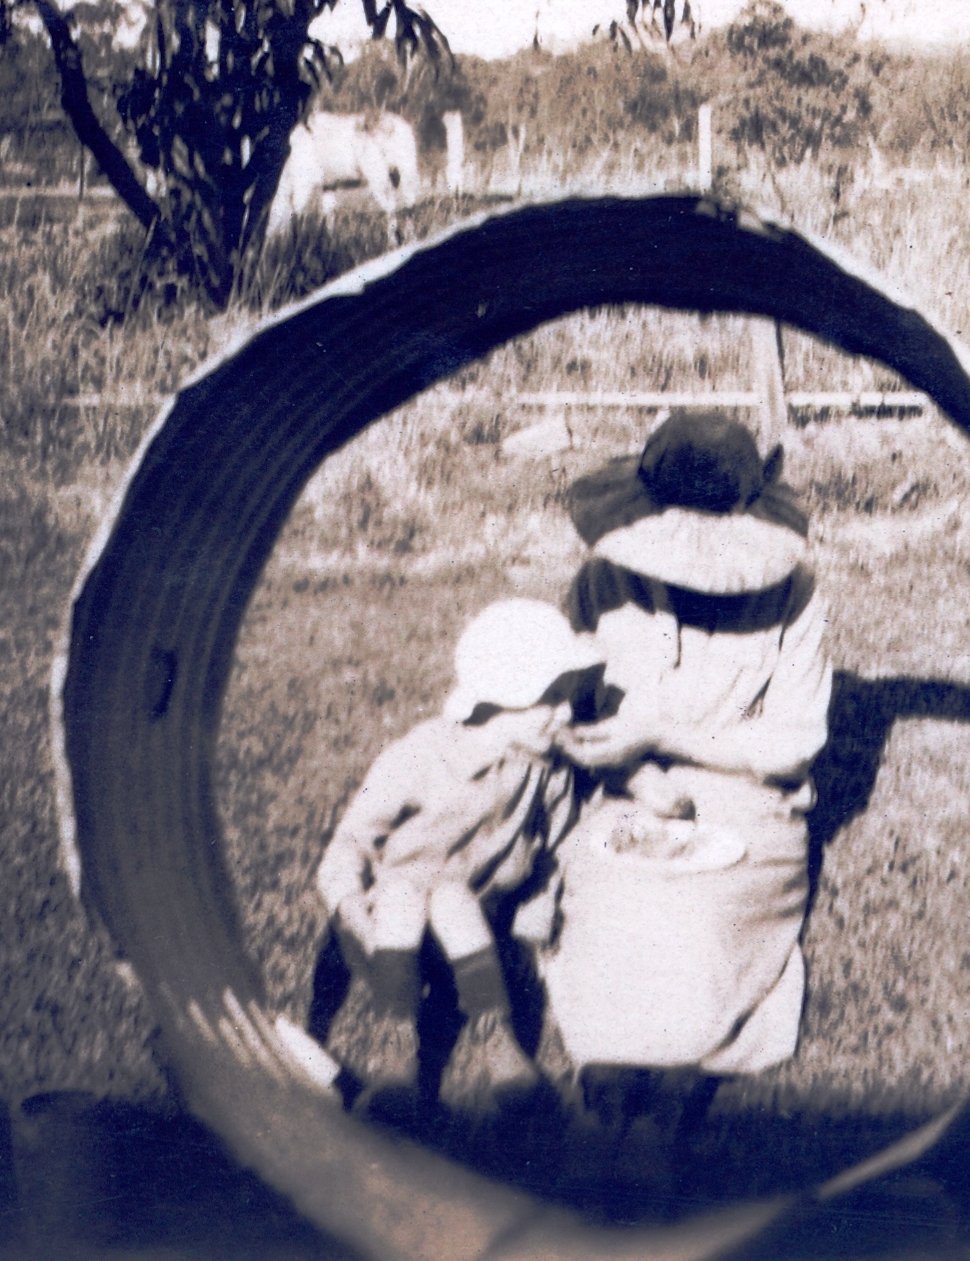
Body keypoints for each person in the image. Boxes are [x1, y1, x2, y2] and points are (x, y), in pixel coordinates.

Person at [537, 411, 833, 1191]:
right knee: (606, 902)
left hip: (748, 800)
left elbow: (791, 745)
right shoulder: (601, 581)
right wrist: (624, 765)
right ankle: (604, 1089)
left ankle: (672, 1100)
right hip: (627, 793)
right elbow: (573, 712)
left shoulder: (796, 593)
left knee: (704, 918)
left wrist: (664, 730)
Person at [306, 598, 603, 1116]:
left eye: (568, 696)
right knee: (411, 895)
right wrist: (349, 905)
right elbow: (350, 841)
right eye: (549, 699)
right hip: (390, 929)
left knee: (452, 900)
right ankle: (397, 1054)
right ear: (497, 700)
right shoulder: (422, 756)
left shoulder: (547, 771)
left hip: (471, 924)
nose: (566, 712)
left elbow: (556, 852)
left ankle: (501, 1050)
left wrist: (535, 922)